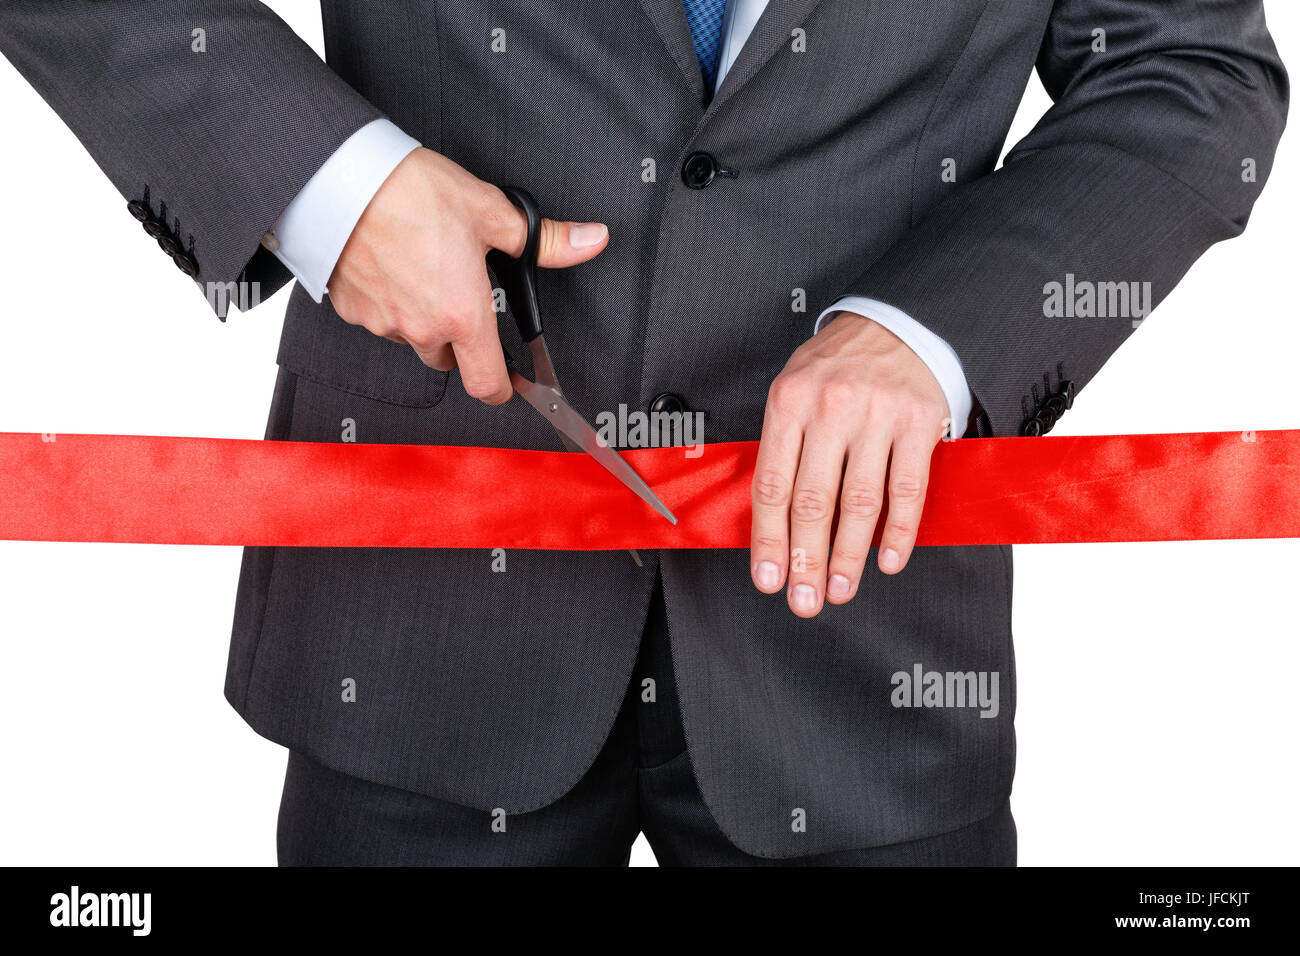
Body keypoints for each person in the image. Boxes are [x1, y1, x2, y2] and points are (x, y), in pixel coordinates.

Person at [0, 0, 1287, 865]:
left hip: (865, 641)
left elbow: (1188, 68)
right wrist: (327, 186)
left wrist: (937, 333)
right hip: (419, 627)